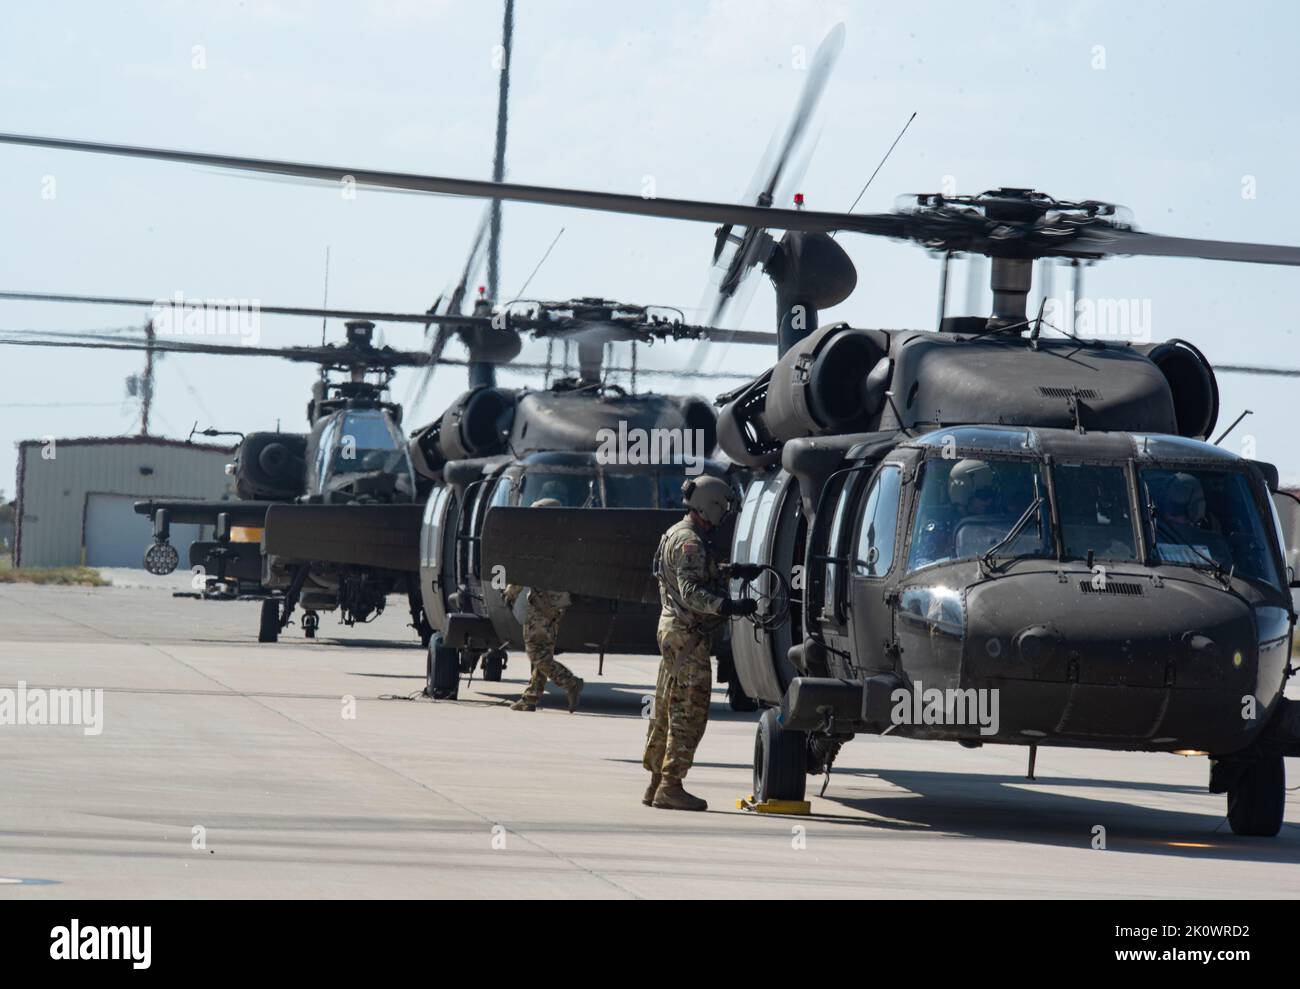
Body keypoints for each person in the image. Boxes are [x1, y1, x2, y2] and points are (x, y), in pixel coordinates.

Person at [643, 476, 758, 812]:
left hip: (675, 632)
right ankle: (671, 785)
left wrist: (730, 572)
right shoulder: (690, 542)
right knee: (688, 711)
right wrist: (728, 606)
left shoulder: (679, 534)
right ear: (711, 505)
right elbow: (691, 591)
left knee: (665, 707)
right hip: (688, 634)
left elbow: (689, 578)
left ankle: (656, 783)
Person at [503, 498, 584, 713]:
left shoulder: (539, 542)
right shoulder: (566, 542)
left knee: (536, 654)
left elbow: (523, 571)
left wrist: (510, 593)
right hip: (557, 605)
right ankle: (531, 697)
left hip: (541, 604)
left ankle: (571, 682)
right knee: (545, 652)